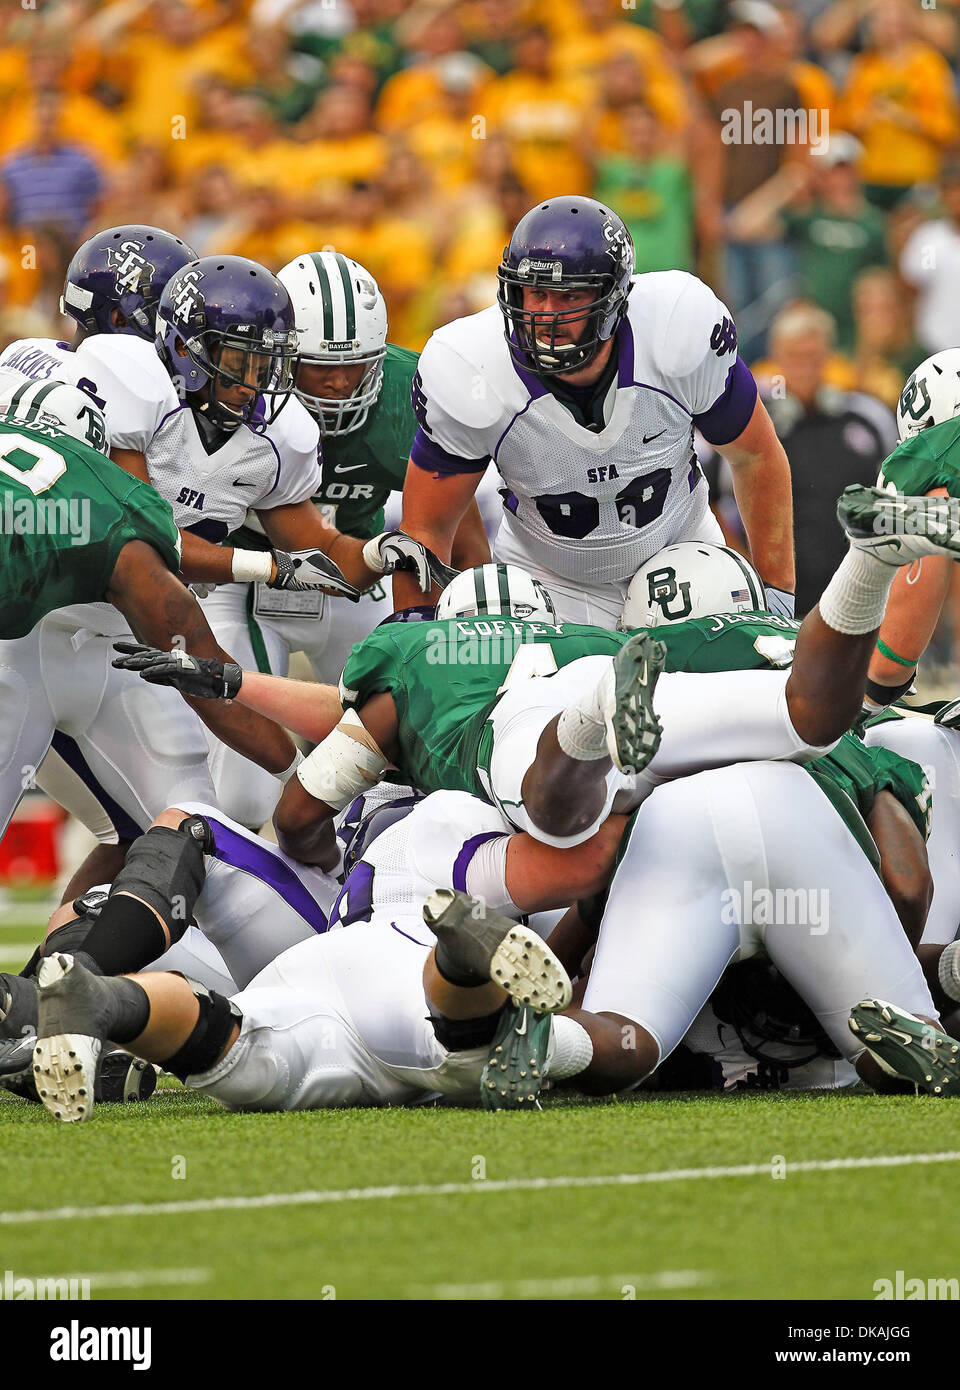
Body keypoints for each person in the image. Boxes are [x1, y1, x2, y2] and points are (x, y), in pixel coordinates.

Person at [393, 194, 796, 628]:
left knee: (727, 680)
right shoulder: (470, 366)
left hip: (682, 554)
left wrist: (779, 590)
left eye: (568, 297)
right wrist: (416, 636)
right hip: (547, 580)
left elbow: (755, 456)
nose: (545, 316)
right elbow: (426, 529)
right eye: (535, 293)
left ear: (613, 297)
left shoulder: (680, 329)